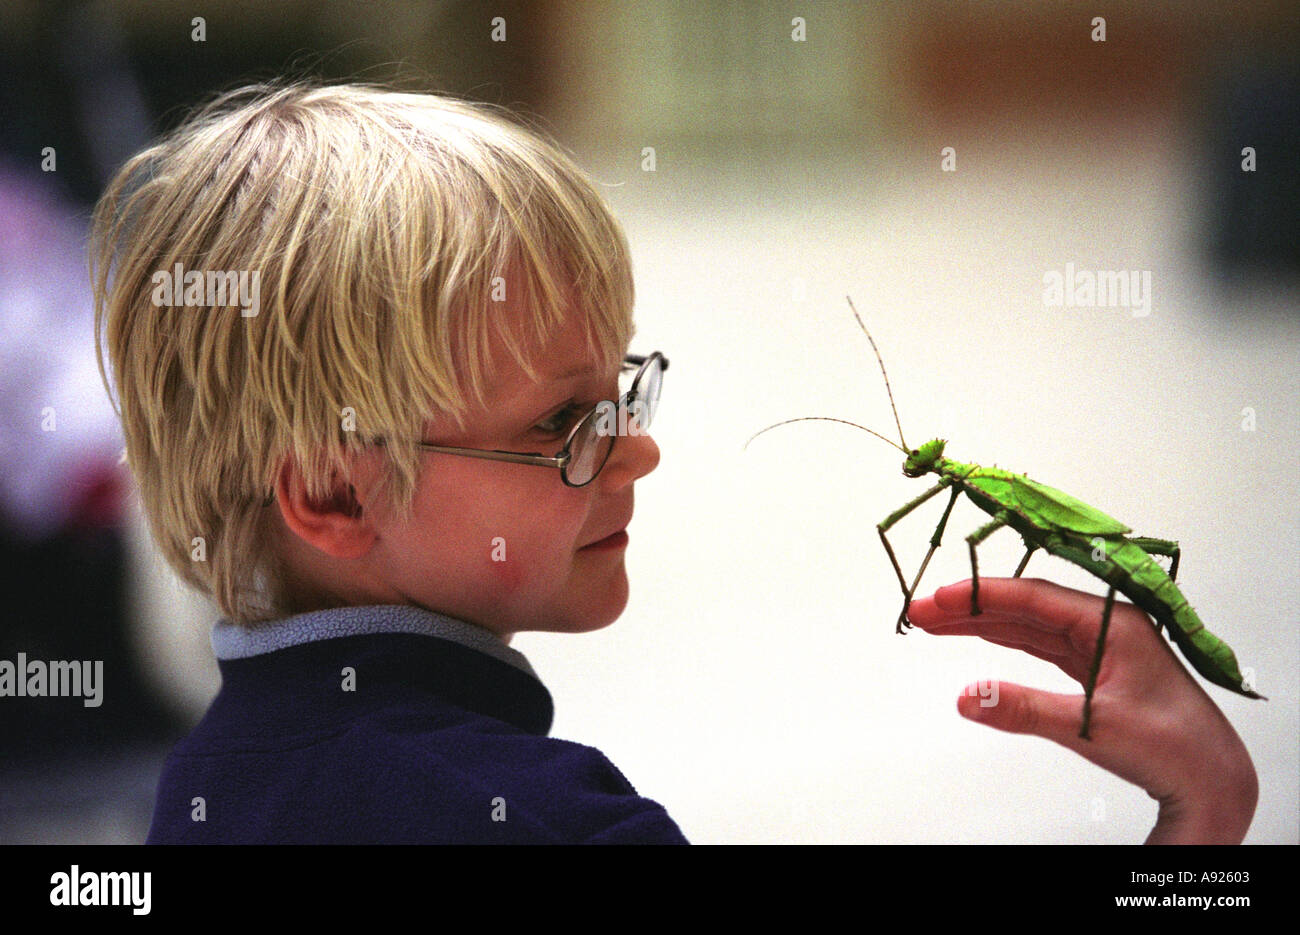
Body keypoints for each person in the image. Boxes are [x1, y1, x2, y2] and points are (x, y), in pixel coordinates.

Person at [90, 81, 1257, 844]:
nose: (639, 447)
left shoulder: (194, 797)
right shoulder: (567, 827)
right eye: (563, 423)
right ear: (336, 489)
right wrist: (1198, 816)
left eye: (624, 390)